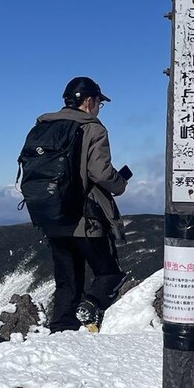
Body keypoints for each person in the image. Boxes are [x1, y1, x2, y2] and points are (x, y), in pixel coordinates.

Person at [33, 76, 131, 331]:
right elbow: (99, 173)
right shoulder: (93, 128)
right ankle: (89, 307)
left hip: (52, 217)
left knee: (67, 283)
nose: (99, 108)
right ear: (88, 101)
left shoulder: (44, 127)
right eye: (99, 102)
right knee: (110, 275)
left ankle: (61, 331)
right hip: (85, 218)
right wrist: (119, 184)